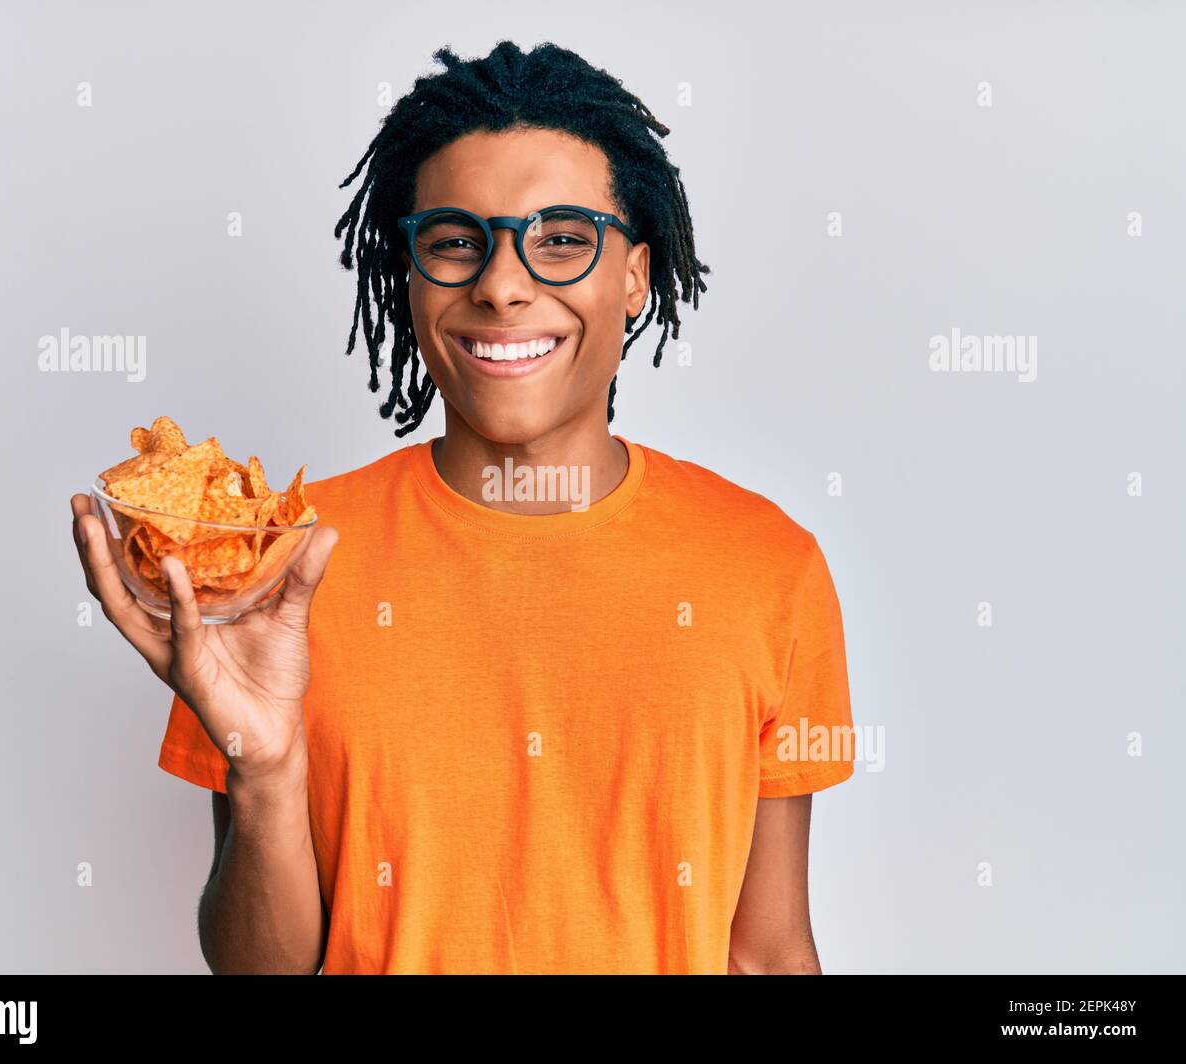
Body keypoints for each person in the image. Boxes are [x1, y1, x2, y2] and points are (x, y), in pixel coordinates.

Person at [69, 40, 855, 975]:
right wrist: (265, 770)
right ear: (407, 280)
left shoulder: (767, 564)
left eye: (562, 238)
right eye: (454, 241)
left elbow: (768, 955)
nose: (502, 283)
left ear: (637, 275)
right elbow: (258, 970)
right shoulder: (278, 565)